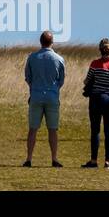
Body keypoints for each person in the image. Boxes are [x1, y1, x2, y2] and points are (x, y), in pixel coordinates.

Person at [23, 30, 66, 168]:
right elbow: (61, 80)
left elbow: (28, 77)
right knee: (52, 129)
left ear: (41, 42)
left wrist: (33, 87)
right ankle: (54, 158)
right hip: (52, 96)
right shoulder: (59, 59)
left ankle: (29, 158)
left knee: (33, 129)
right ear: (52, 42)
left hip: (36, 95)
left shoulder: (32, 57)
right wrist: (54, 89)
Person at [82, 38, 109, 169]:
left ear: (100, 49)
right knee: (108, 131)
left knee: (95, 130)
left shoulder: (95, 63)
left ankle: (93, 160)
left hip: (96, 99)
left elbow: (87, 81)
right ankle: (107, 161)